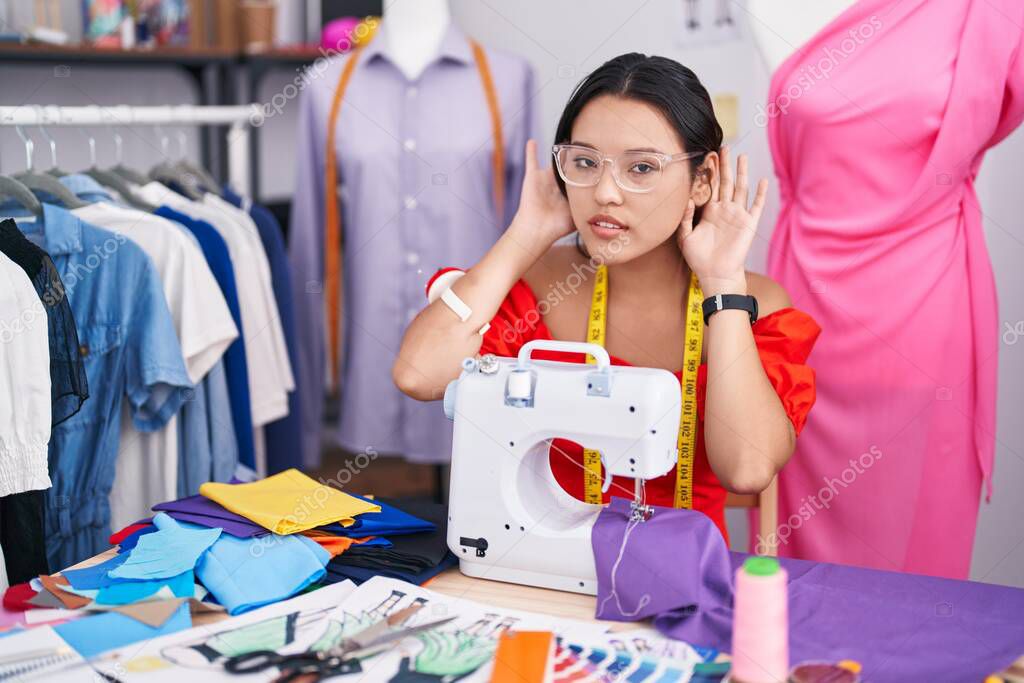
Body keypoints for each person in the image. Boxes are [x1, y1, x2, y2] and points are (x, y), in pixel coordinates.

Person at [393, 53, 820, 542]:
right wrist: (524, 237)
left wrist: (722, 284)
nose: (605, 192)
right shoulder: (535, 282)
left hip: (677, 591)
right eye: (585, 162)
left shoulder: (752, 303)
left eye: (641, 168)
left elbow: (747, 468)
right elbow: (417, 374)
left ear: (702, 181)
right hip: (541, 572)